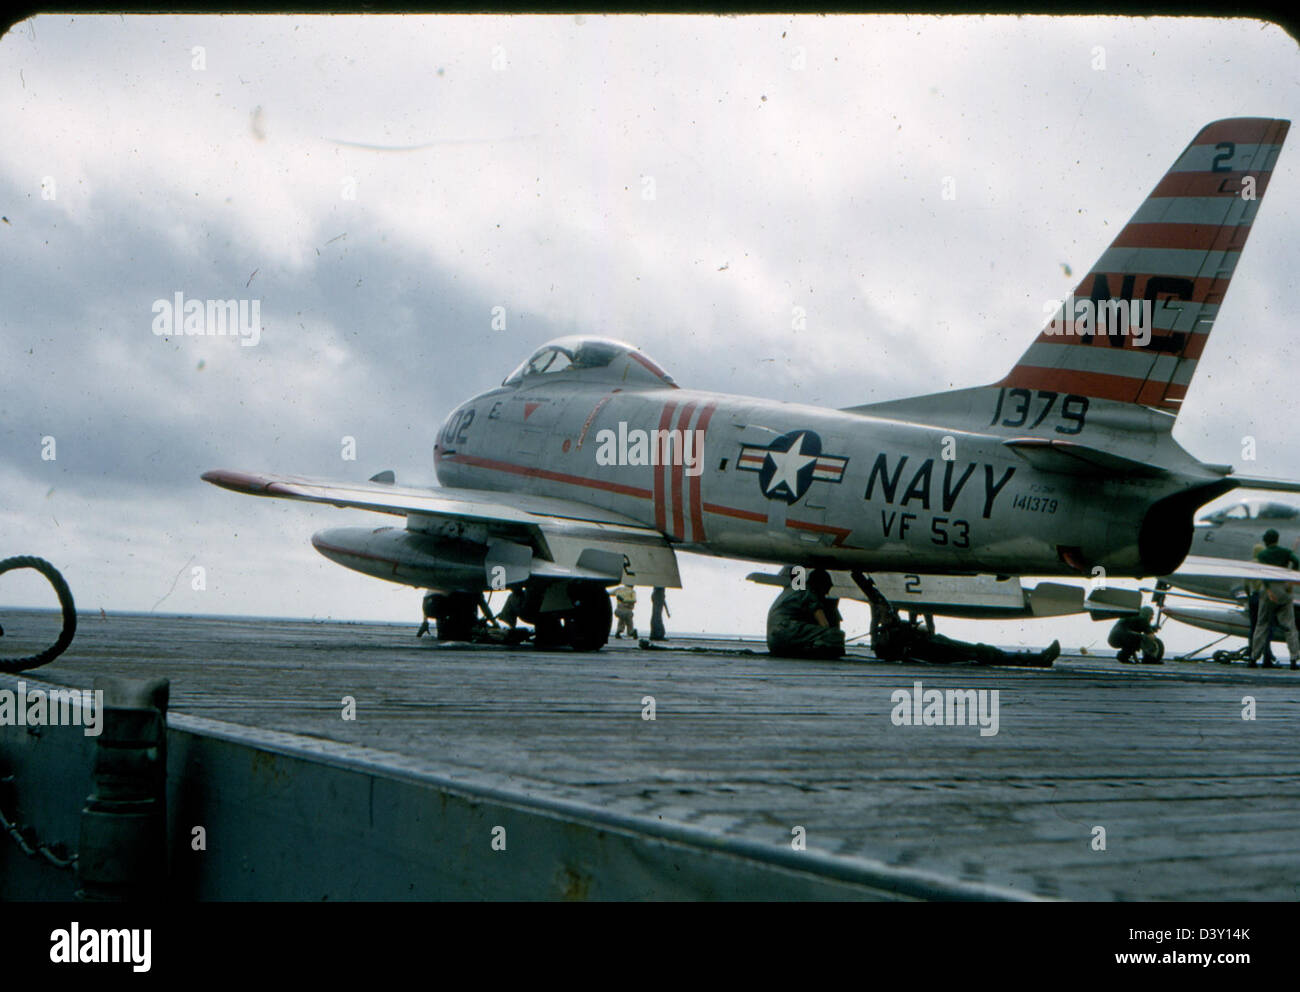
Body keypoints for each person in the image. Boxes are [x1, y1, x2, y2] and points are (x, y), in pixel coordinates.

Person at [851, 571, 1059, 667]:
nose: (889, 614)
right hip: (937, 648)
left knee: (983, 651)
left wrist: (859, 576)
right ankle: (1037, 660)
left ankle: (1035, 659)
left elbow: (876, 598)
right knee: (983, 652)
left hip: (935, 647)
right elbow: (879, 602)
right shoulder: (898, 635)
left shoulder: (893, 636)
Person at [766, 568, 845, 659]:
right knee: (834, 634)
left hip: (774, 642)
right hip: (786, 632)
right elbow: (824, 625)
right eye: (827, 587)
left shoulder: (794, 589)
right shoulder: (809, 593)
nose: (827, 592)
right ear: (820, 584)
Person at [1250, 529, 1300, 669]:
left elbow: (1263, 573)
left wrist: (1268, 589)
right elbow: (1297, 562)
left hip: (1269, 590)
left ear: (1266, 540)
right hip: (1285, 588)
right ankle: (1294, 659)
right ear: (1277, 539)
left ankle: (1253, 658)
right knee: (1290, 626)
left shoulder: (1263, 554)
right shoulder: (1286, 552)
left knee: (1262, 625)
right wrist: (1290, 582)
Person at [1245, 540, 1277, 667]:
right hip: (1265, 598)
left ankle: (1252, 658)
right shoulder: (1267, 564)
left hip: (1254, 597)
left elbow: (1246, 584)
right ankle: (1267, 659)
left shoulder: (1249, 564)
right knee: (1267, 628)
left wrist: (1249, 596)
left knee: (1254, 628)